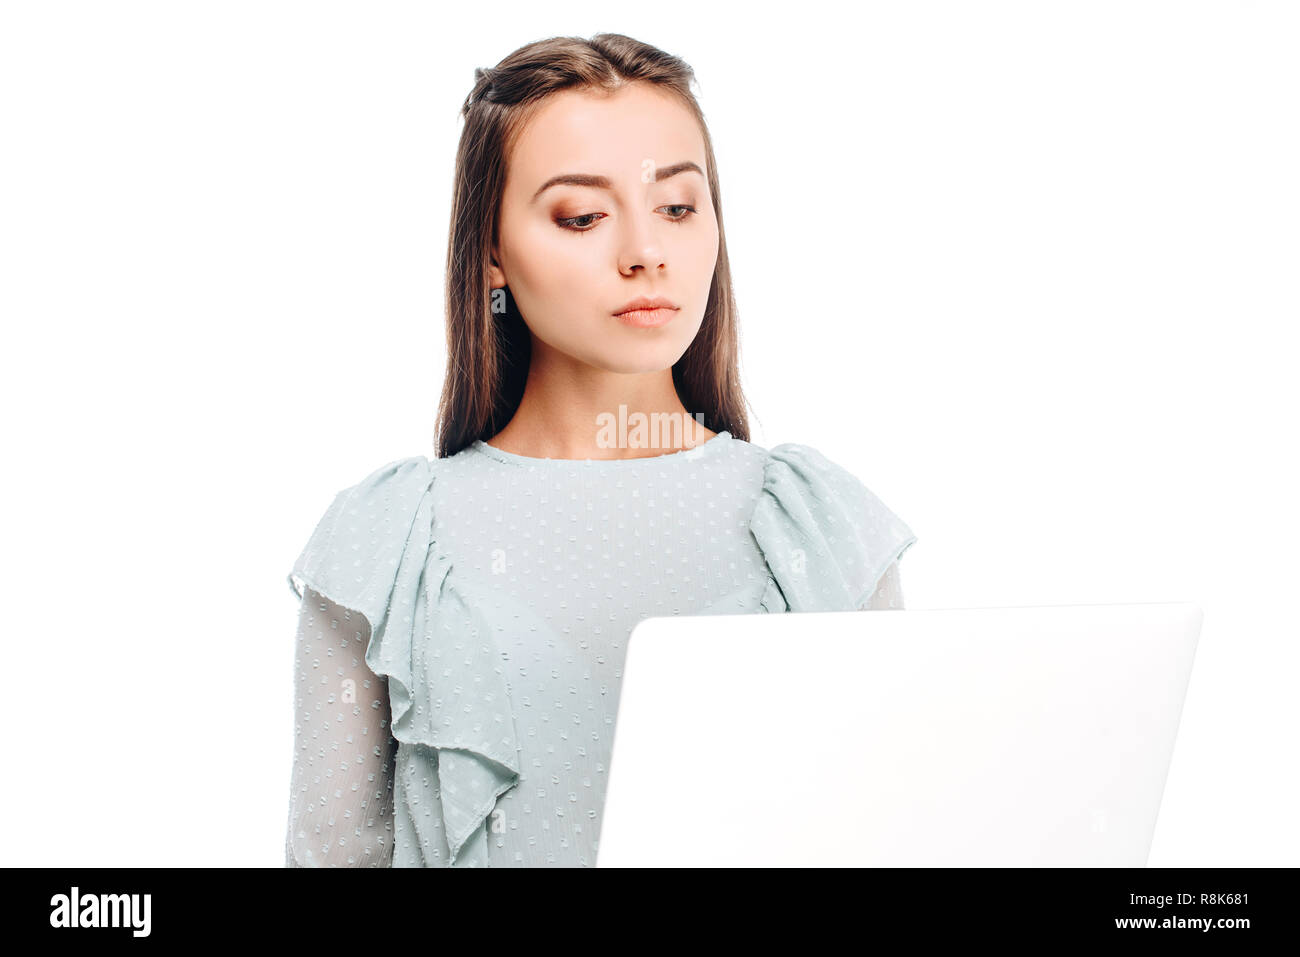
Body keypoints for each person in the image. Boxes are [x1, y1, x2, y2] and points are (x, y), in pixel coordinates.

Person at [283, 32, 917, 868]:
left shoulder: (818, 527)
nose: (645, 252)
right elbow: (331, 856)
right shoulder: (390, 538)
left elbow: (895, 834)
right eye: (582, 216)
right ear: (491, 255)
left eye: (679, 208)